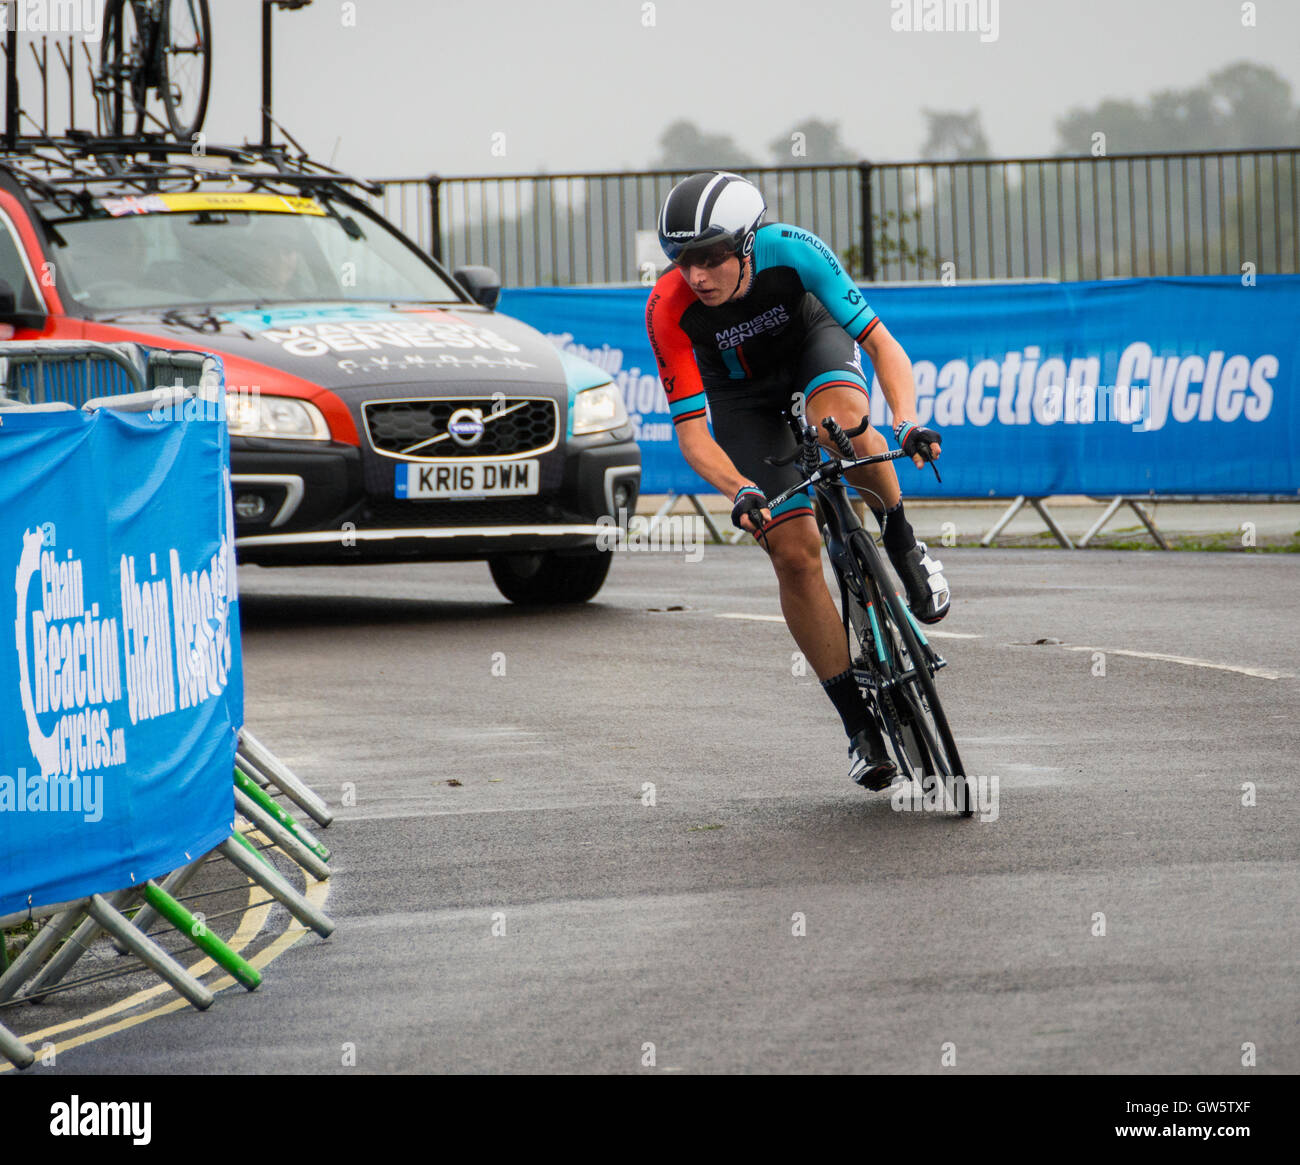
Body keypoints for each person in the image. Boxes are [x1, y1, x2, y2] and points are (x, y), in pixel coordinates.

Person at [645, 171, 950, 790]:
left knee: (845, 424)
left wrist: (909, 421)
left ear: (749, 242)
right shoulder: (667, 307)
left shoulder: (795, 251)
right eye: (682, 260)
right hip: (741, 397)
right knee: (794, 554)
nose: (696, 275)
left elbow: (886, 348)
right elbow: (693, 434)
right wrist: (741, 491)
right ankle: (859, 728)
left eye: (710, 257)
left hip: (813, 345)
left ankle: (899, 537)